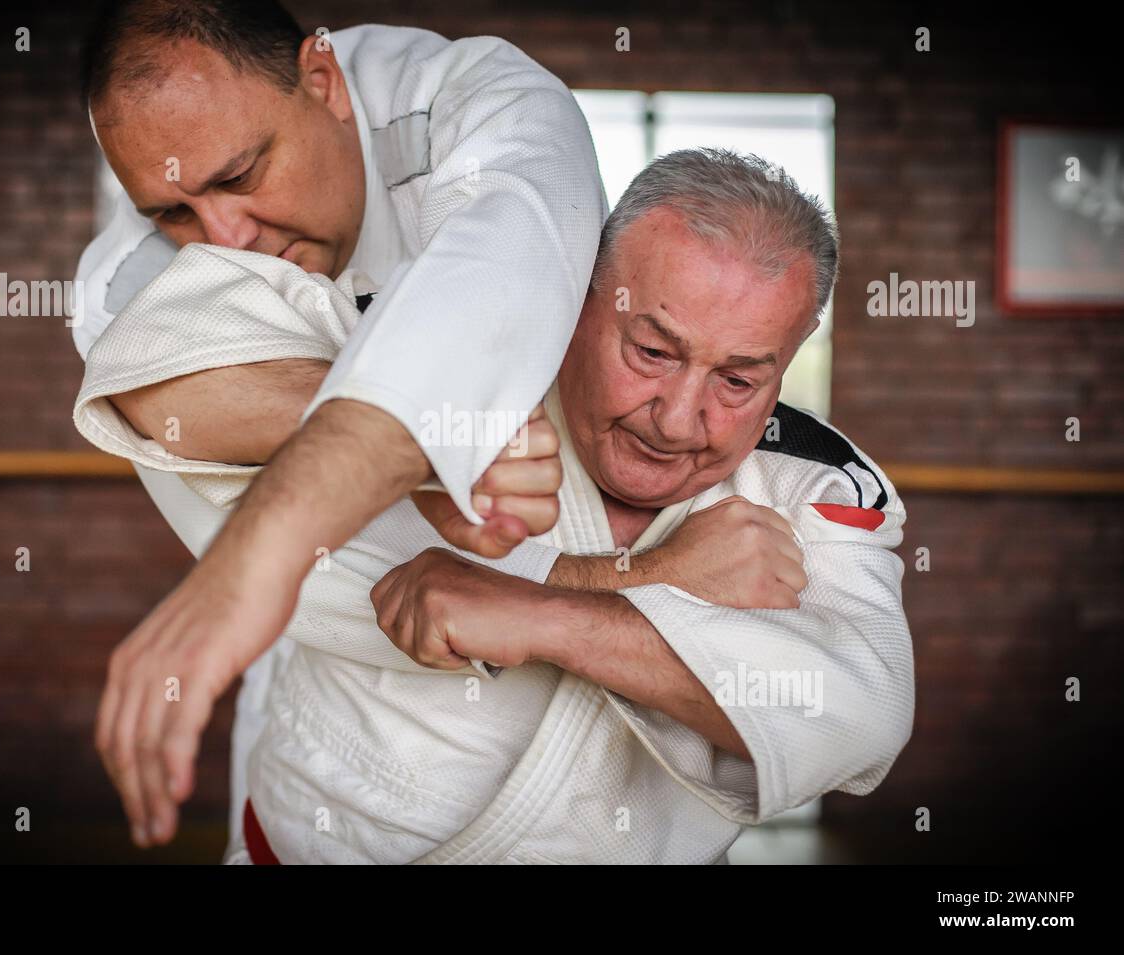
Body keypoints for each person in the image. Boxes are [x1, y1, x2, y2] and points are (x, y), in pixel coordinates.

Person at [75, 148, 916, 863]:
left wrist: (536, 611)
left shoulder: (814, 483)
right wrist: (419, 424)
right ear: (583, 296)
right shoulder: (432, 355)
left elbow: (861, 715)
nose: (678, 416)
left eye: (740, 379)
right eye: (652, 350)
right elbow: (154, 363)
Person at [72, 0, 606, 851]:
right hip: (323, 740)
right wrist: (444, 446)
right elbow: (160, 389)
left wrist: (257, 554)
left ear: (321, 79)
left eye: (241, 175)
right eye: (174, 214)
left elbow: (497, 288)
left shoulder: (479, 106)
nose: (224, 239)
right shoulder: (124, 276)